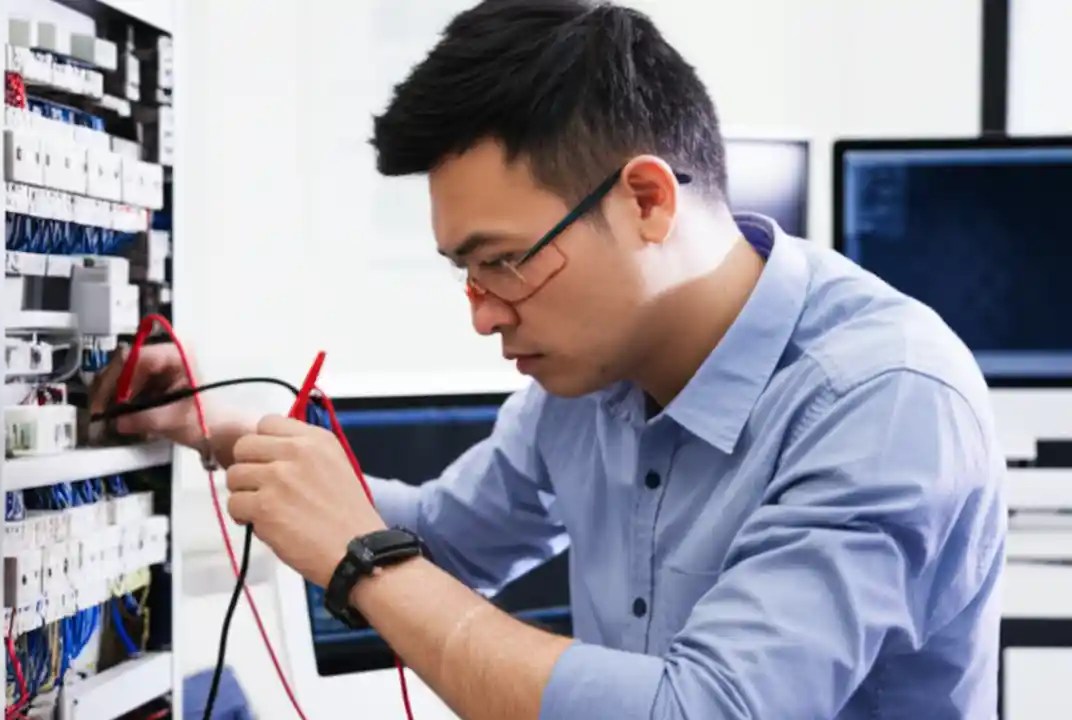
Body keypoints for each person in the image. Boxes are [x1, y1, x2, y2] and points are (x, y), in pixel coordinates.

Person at [91, 1, 1006, 717]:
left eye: (504, 262)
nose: (484, 315)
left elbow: (706, 709)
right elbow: (444, 545)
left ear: (647, 199)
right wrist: (220, 429)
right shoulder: (591, 377)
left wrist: (364, 558)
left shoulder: (880, 399)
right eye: (465, 271)